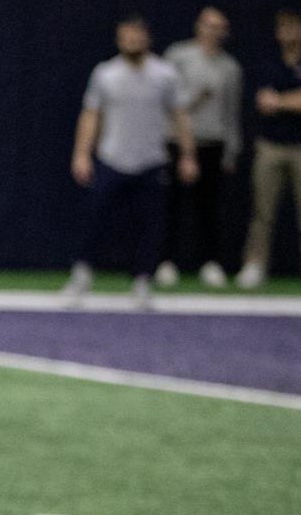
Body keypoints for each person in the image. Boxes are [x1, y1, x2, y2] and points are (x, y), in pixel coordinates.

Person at [65, 14, 198, 308]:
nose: (132, 42)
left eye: (137, 36)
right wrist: (81, 153)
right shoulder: (105, 74)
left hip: (151, 161)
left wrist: (188, 155)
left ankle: (142, 282)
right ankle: (82, 276)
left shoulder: (165, 74)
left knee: (150, 226)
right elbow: (91, 115)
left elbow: (180, 115)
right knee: (94, 220)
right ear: (119, 39)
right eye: (127, 37)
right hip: (112, 158)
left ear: (147, 39)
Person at [159, 7, 242, 287]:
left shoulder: (230, 67)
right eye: (209, 24)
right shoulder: (178, 56)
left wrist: (231, 150)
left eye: (219, 26)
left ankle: (209, 262)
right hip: (178, 141)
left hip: (213, 143)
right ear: (198, 26)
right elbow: (169, 102)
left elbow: (231, 112)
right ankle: (166, 262)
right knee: (171, 205)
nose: (213, 30)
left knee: (209, 207)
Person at [238, 10, 301, 290]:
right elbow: (263, 103)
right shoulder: (267, 64)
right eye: (284, 28)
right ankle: (255, 264)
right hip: (270, 147)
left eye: (294, 28)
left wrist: (283, 101)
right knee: (263, 212)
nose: (289, 34)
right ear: (277, 33)